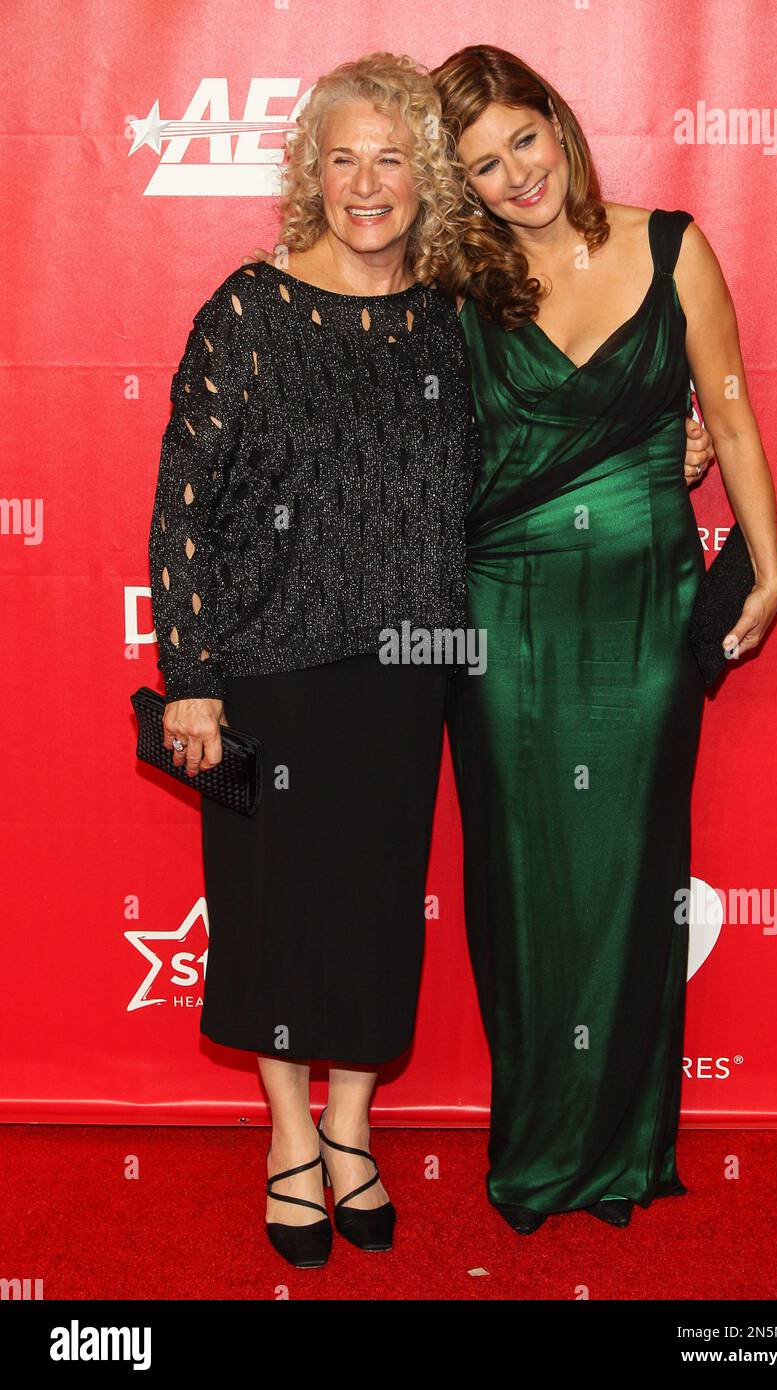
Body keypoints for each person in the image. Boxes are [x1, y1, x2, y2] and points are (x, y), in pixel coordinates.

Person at [430, 45, 777, 1233]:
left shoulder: (670, 245)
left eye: (522, 139)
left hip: (641, 608)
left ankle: (622, 1151)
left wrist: (771, 560)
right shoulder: (458, 288)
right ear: (460, 183)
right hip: (503, 617)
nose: (512, 175)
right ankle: (537, 1148)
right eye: (480, 165)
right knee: (521, 887)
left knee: (633, 875)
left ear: (558, 123)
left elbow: (728, 412)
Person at [147, 53, 481, 1268]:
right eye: (341, 156)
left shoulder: (449, 319)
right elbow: (183, 501)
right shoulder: (247, 308)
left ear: (424, 176)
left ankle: (351, 1126)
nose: (365, 181)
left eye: (390, 156)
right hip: (264, 664)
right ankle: (287, 1133)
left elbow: (528, 456)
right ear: (309, 173)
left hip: (407, 664)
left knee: (374, 907)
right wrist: (191, 671)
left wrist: (674, 442)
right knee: (274, 911)